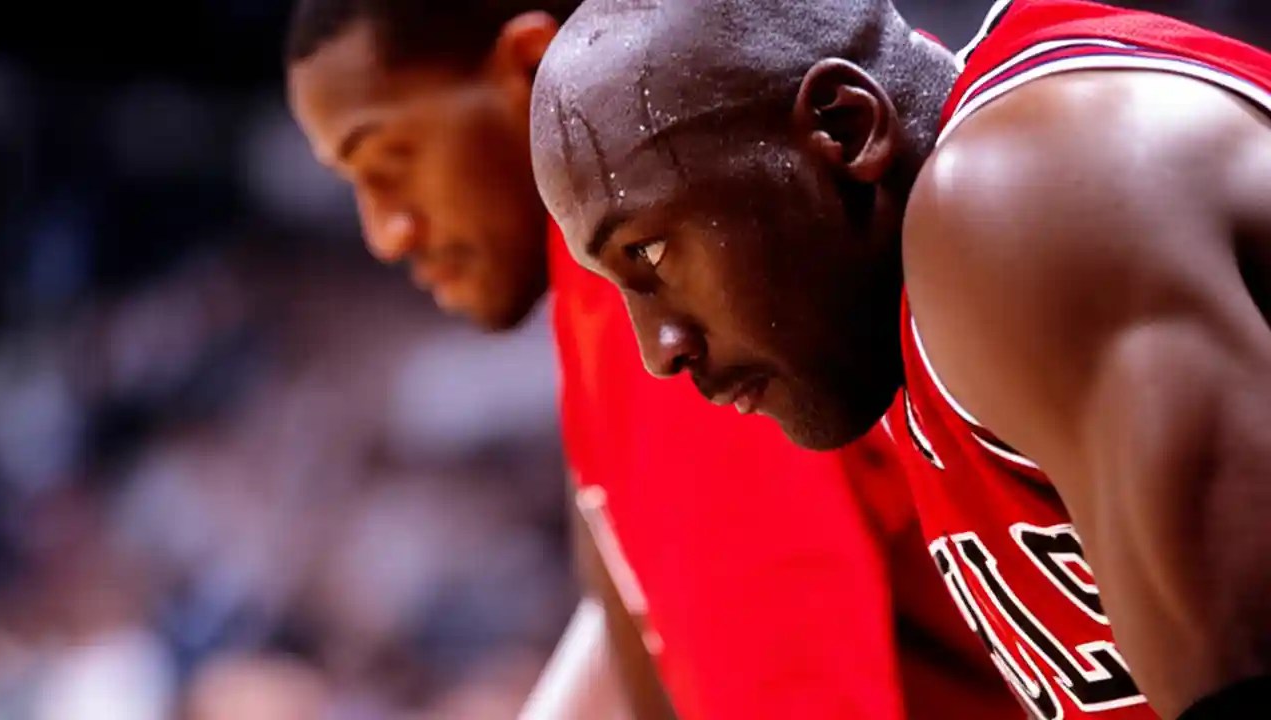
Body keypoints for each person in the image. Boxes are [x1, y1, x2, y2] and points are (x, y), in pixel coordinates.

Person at [530, 0, 1271, 718]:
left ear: (844, 129)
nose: (660, 352)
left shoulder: (1018, 192)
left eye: (651, 253)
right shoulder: (927, 326)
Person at [284, 2, 1019, 718]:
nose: (385, 231)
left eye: (389, 159)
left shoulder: (680, 292)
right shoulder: (622, 284)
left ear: (531, 68)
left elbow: (794, 693)